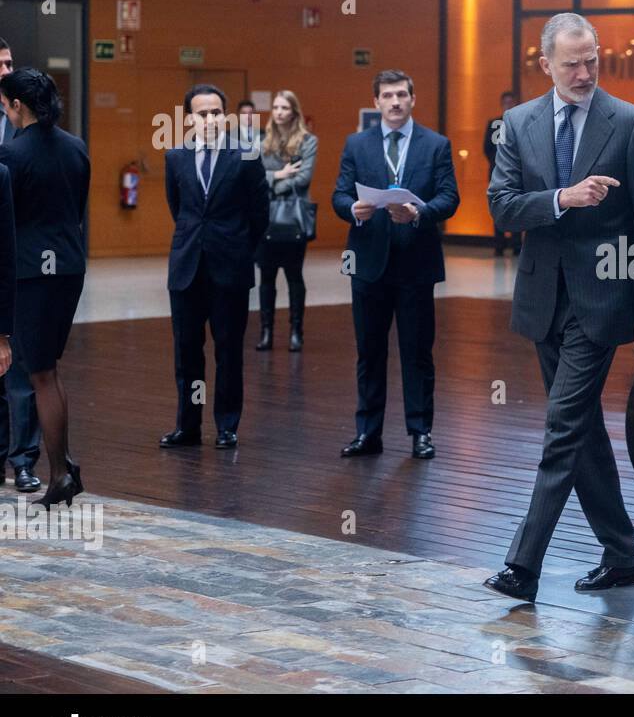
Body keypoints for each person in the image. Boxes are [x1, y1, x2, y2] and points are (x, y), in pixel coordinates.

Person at [483, 12, 634, 603]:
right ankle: (622, 555)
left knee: (563, 428)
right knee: (583, 431)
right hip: (542, 300)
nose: (586, 72)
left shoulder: (631, 123)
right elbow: (503, 208)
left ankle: (523, 565)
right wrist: (563, 198)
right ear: (546, 66)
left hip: (603, 298)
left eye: (592, 60)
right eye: (573, 63)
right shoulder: (516, 123)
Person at [332, 70, 459, 461]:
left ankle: (420, 431)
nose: (395, 102)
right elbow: (339, 193)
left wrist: (419, 212)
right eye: (387, 96)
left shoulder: (435, 144)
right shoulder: (357, 144)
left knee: (417, 352)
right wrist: (353, 209)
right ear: (377, 102)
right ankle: (368, 432)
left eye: (402, 94)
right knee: (369, 352)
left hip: (415, 264)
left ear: (413, 98)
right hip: (368, 262)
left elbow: (449, 198)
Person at [160, 84, 269, 450]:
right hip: (188, 267)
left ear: (226, 116)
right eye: (202, 113)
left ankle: (226, 424)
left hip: (230, 267)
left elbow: (259, 215)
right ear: (189, 118)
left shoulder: (246, 156)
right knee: (188, 353)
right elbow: (179, 210)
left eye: (216, 113)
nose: (210, 119)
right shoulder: (175, 156)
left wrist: (239, 249)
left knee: (228, 350)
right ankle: (188, 426)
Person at [0, 69, 89, 508]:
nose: (5, 110)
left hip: (31, 274)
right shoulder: (76, 147)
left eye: (5, 104)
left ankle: (59, 474)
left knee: (39, 374)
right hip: (69, 268)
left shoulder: (11, 156)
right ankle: (65, 467)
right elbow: (78, 209)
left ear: (18, 106)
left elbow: (7, 225)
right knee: (48, 368)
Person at [0, 38, 41, 493]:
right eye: (1, 64)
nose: (7, 69)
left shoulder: (26, 117)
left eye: (11, 61)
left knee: (20, 364)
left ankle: (24, 460)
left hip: (21, 255)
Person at [256, 90, 317, 352]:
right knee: (266, 276)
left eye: (285, 107)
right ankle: (266, 332)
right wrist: (279, 174)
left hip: (293, 217)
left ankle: (296, 332)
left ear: (294, 111)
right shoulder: (261, 141)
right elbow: (254, 177)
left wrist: (272, 186)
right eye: (276, 107)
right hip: (265, 219)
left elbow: (303, 179)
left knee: (294, 275)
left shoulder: (308, 141)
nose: (279, 112)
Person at [483, 90, 521, 256]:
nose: (509, 105)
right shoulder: (495, 123)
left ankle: (516, 245)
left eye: (511, 102)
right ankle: (499, 245)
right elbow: (487, 148)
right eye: (506, 102)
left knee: (518, 208)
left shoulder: (521, 122)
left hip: (518, 173)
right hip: (497, 173)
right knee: (497, 207)